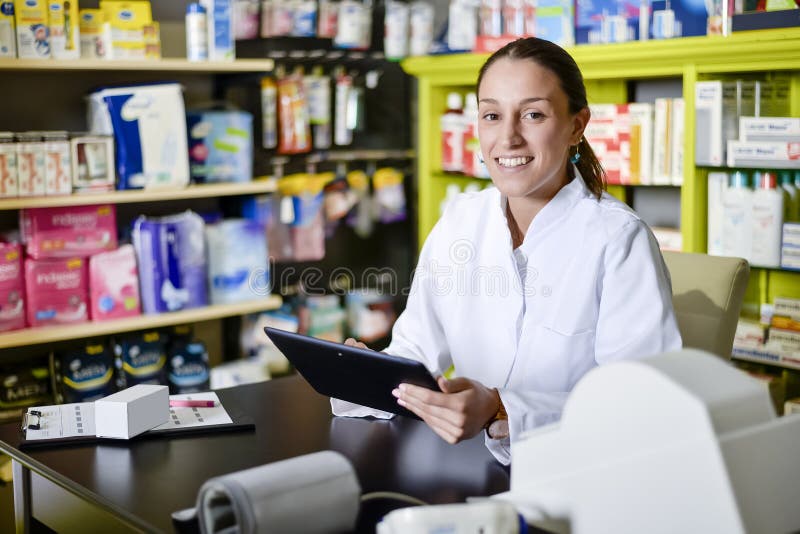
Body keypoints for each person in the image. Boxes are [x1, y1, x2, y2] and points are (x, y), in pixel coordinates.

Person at [333, 37, 682, 465]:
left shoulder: (618, 239)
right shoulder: (460, 221)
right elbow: (415, 352)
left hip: (583, 474)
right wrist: (367, 375)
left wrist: (502, 408)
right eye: (492, 115)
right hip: (467, 472)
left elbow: (642, 399)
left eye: (533, 114)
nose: (509, 138)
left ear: (577, 125)